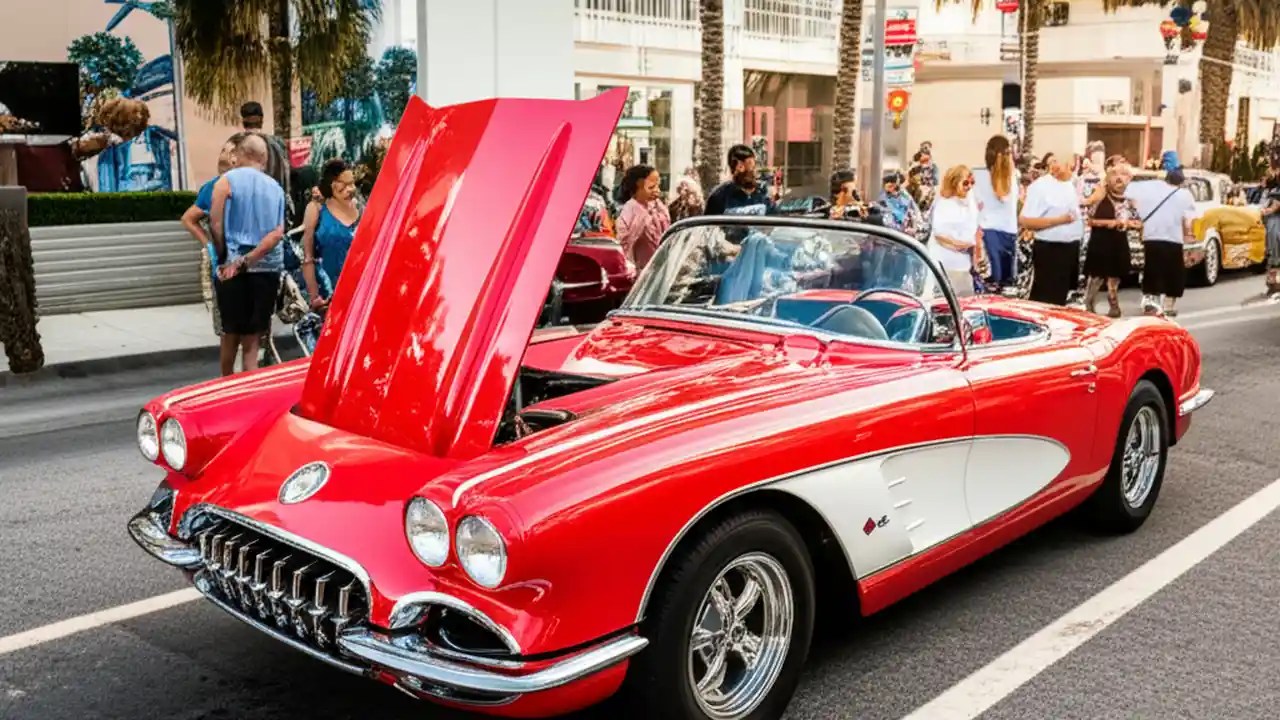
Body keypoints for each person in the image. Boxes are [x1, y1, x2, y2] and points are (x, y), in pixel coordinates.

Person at [210, 134, 287, 376]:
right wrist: (252, 258)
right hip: (267, 269)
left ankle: (226, 383)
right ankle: (249, 384)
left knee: (230, 333)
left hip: (232, 267)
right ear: (264, 157)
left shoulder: (226, 182)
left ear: (239, 154)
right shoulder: (276, 188)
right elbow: (278, 233)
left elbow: (215, 222)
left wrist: (223, 255)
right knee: (253, 340)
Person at [181, 135, 245, 336]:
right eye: (224, 151)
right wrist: (209, 245)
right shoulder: (213, 187)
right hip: (226, 260)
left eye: (231, 151)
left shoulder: (253, 183)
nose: (225, 156)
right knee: (228, 326)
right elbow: (189, 218)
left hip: (252, 258)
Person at [1126, 164, 1195, 316]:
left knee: (1152, 269)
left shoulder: (1152, 188)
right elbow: (1187, 220)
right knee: (1174, 272)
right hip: (1174, 239)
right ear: (1181, 181)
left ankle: (1151, 302)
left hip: (1152, 236)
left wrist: (1138, 211)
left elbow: (1129, 193)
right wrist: (1188, 236)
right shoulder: (1185, 195)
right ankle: (1168, 305)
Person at [1020, 154, 1085, 305]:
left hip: (1072, 249)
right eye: (1054, 162)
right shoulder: (1040, 187)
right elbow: (1026, 221)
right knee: (1047, 300)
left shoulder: (1072, 184)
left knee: (1065, 300)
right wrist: (1060, 220)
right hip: (1050, 251)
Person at [301, 158, 360, 309]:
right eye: (344, 184)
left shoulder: (361, 208)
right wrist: (314, 295)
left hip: (360, 290)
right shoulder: (317, 209)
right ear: (331, 184)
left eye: (352, 183)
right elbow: (307, 256)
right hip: (328, 294)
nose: (350, 189)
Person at [1084, 164, 1141, 317]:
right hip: (1100, 240)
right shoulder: (1099, 195)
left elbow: (1138, 221)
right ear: (1108, 178)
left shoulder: (1130, 200)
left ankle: (1114, 304)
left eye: (1123, 174)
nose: (1119, 178)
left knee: (1115, 275)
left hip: (1119, 240)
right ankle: (1088, 303)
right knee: (1096, 275)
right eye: (1115, 174)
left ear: (1129, 179)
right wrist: (1111, 223)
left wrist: (1129, 224)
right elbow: (1089, 219)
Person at [972, 135, 1019, 294]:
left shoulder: (980, 176)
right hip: (1005, 231)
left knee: (994, 281)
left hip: (991, 230)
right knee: (1004, 282)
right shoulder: (1011, 176)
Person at [929, 165, 982, 297]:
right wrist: (959, 245)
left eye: (972, 182)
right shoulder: (944, 204)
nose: (969, 186)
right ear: (954, 182)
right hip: (946, 263)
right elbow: (939, 235)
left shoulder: (971, 201)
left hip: (965, 264)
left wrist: (975, 250)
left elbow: (976, 227)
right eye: (965, 183)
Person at [615, 164, 671, 271]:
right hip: (641, 269)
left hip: (661, 266)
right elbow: (624, 242)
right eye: (651, 187)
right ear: (637, 187)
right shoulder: (630, 209)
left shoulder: (659, 206)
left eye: (658, 186)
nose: (657, 191)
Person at [704, 144, 776, 216]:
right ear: (739, 166)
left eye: (755, 165)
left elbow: (775, 217)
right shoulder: (719, 196)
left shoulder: (764, 193)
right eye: (751, 165)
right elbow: (710, 222)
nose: (755, 171)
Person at [879, 171, 924, 236]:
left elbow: (914, 211)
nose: (889, 189)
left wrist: (915, 228)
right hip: (893, 231)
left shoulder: (903, 195)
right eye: (887, 187)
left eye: (891, 186)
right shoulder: (884, 196)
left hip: (904, 231)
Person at [1262, 174, 1280, 296]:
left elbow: (1274, 206)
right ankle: (1273, 283)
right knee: (1274, 256)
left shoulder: (1274, 193)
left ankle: (1273, 283)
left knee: (1274, 256)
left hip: (1274, 227)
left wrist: (1266, 211)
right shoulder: (1274, 192)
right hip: (1274, 227)